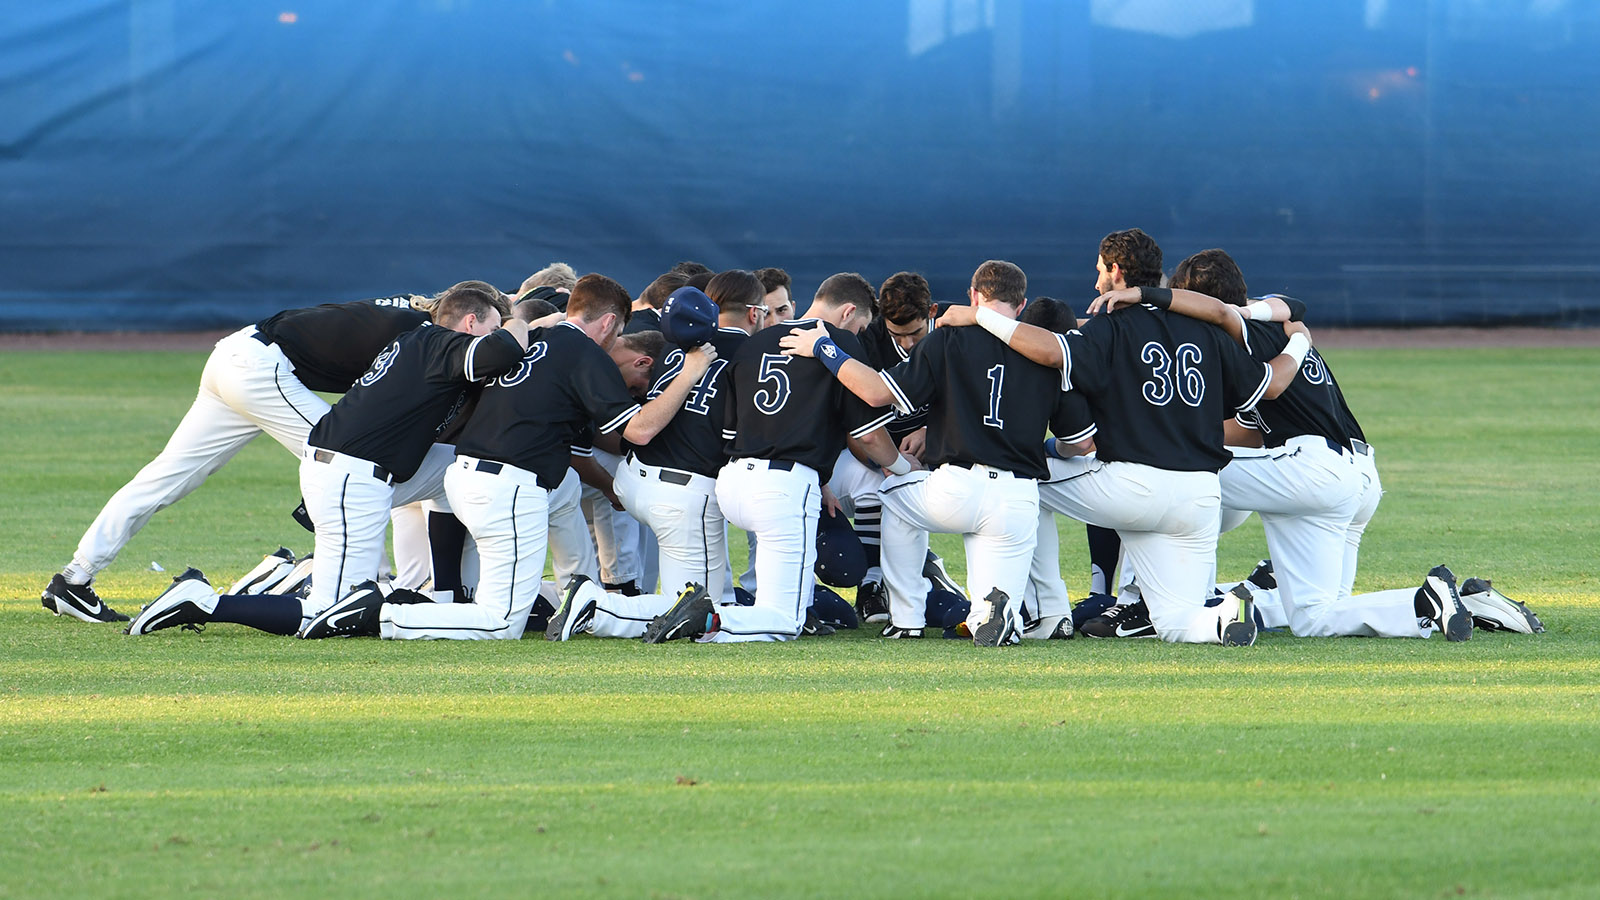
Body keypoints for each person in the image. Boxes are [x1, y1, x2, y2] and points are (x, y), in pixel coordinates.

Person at [940, 229, 1307, 646]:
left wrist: (982, 316)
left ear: (1116, 271)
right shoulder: (1206, 329)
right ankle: (1226, 615)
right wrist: (1299, 343)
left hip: (1133, 488)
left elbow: (1050, 351)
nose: (1097, 281)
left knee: (1020, 482)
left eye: (1100, 270)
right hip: (1201, 497)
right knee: (1176, 623)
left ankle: (1046, 611)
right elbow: (1269, 385)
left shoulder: (1111, 327)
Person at [127, 282, 529, 636]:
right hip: (351, 478)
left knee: (457, 467)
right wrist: (524, 317)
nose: (498, 331)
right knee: (328, 612)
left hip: (352, 469)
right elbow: (505, 350)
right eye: (493, 325)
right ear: (470, 323)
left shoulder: (420, 340)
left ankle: (446, 593)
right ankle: (204, 603)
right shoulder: (443, 344)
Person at [41, 292, 443, 624]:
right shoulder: (421, 334)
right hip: (262, 368)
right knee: (352, 461)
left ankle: (74, 578)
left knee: (164, 477)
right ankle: (369, 583)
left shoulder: (412, 313)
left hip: (235, 355)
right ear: (466, 317)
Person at [365, 273, 715, 640]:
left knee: (565, 489)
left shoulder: (529, 336)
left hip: (464, 474)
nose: (614, 340)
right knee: (501, 623)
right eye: (617, 331)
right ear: (608, 322)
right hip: (507, 487)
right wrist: (690, 373)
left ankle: (579, 590)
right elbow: (640, 431)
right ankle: (382, 616)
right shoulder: (586, 353)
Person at [782, 261, 1078, 646]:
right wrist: (1045, 446)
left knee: (893, 493)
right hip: (1018, 497)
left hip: (957, 488)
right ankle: (998, 614)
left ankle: (907, 617)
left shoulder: (947, 339)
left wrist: (824, 348)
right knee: (992, 596)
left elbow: (876, 393)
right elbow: (1080, 443)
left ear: (973, 296)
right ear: (1021, 305)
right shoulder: (1047, 351)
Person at [642, 273, 907, 643]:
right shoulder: (839, 341)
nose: (859, 335)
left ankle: (607, 604)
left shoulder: (754, 341)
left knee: (772, 599)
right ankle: (708, 619)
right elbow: (869, 435)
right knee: (785, 622)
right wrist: (902, 468)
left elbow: (731, 431)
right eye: (861, 327)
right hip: (783, 486)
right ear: (849, 313)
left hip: (732, 482)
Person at [551, 273, 773, 640]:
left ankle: (591, 603)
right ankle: (596, 604)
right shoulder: (752, 352)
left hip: (635, 476)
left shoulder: (675, 343)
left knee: (691, 605)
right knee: (699, 614)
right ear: (753, 313)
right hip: (682, 492)